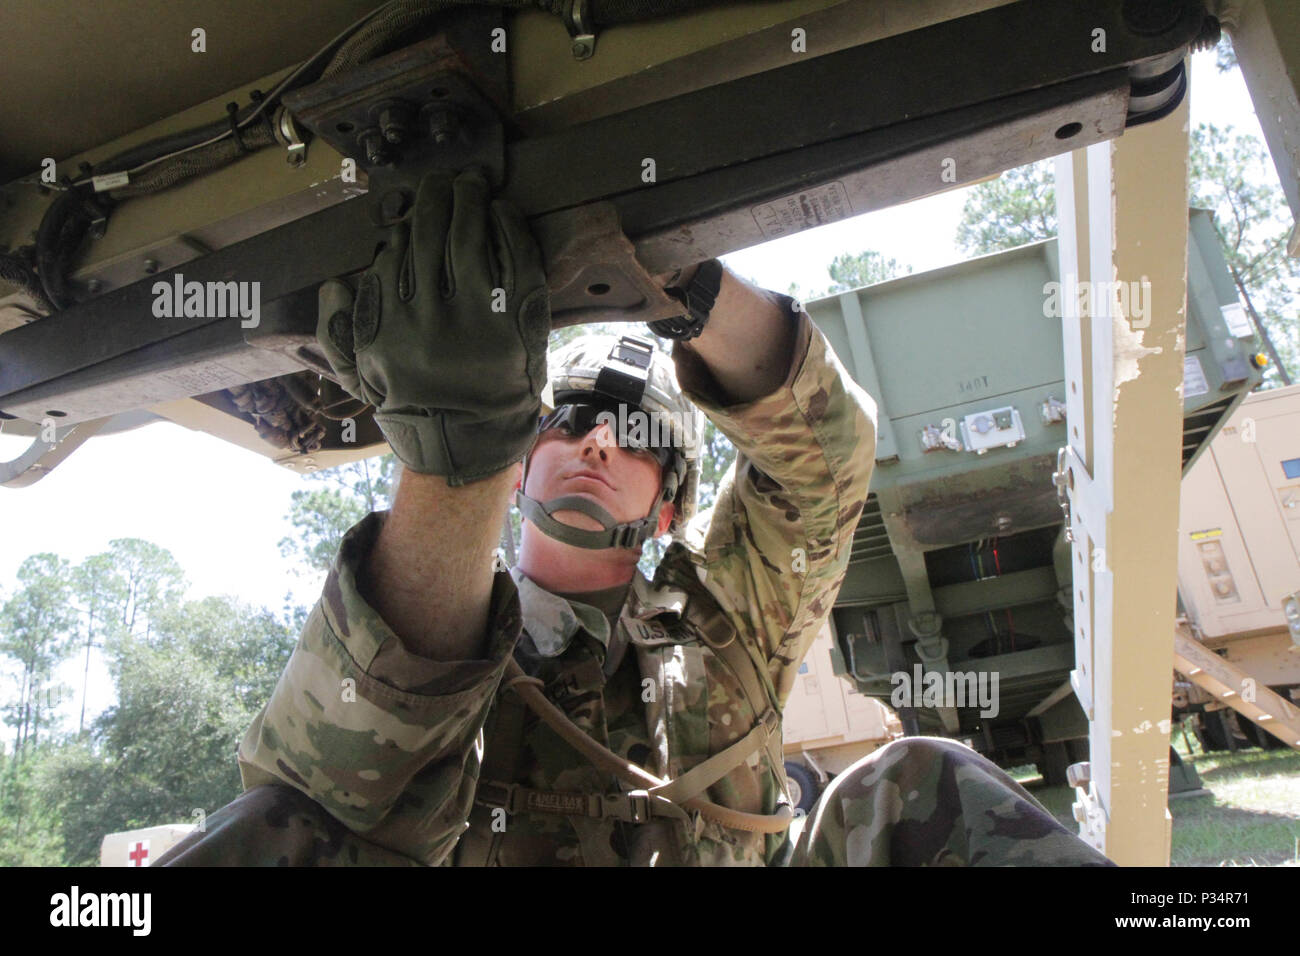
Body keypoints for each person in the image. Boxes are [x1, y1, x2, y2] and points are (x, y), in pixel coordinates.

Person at [160, 168, 1111, 867]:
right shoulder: (438, 626)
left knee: (915, 782)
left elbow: (824, 468)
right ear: (524, 456)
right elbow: (329, 793)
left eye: (636, 431)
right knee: (275, 834)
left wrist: (680, 280)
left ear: (668, 507)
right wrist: (458, 446)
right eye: (569, 421)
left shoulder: (731, 618)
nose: (599, 443)